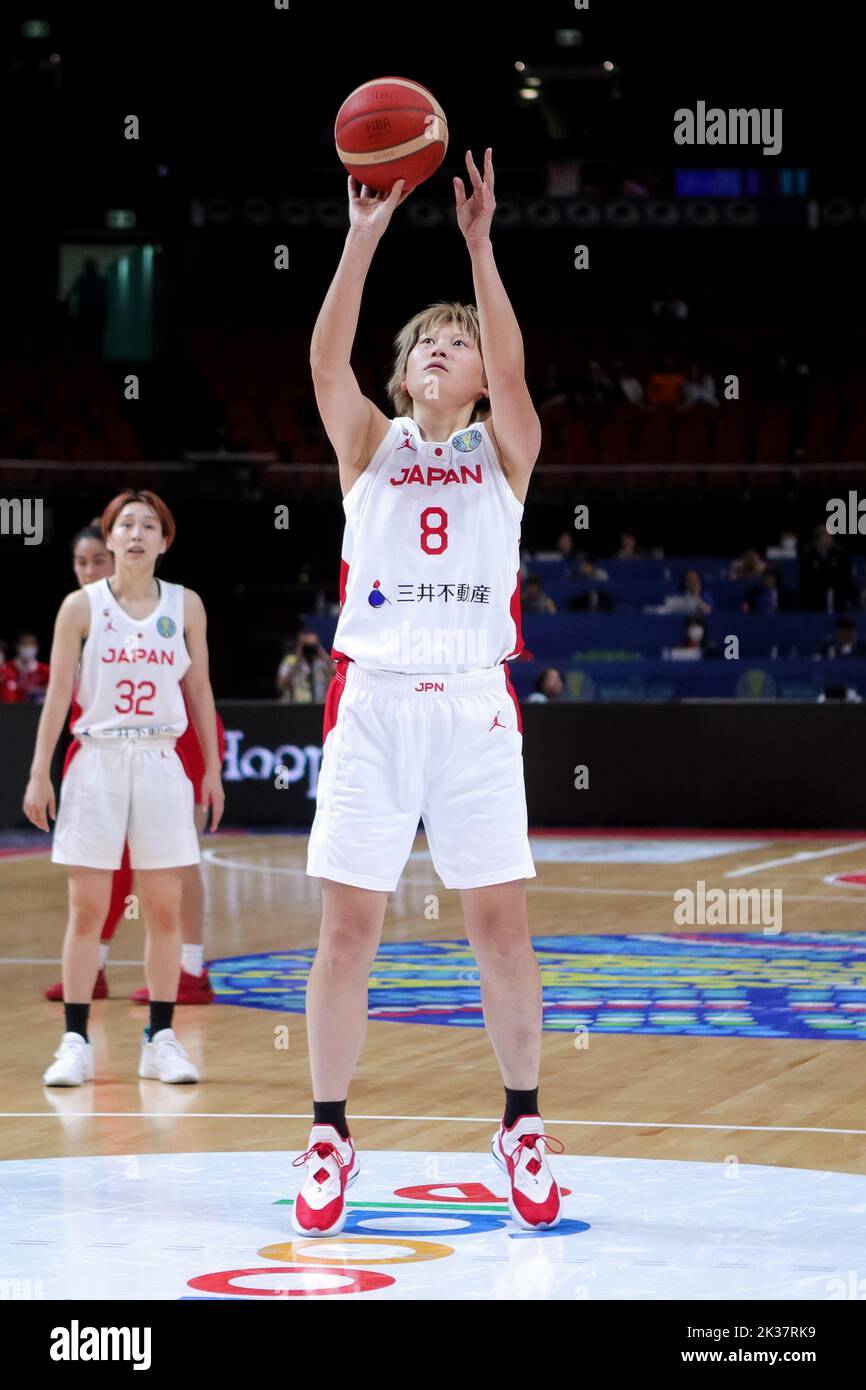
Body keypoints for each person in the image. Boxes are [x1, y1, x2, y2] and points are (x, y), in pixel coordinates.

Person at [296, 150, 563, 1238]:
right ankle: (326, 1131)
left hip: (470, 704)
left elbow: (508, 357)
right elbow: (322, 366)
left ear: (480, 376)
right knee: (345, 931)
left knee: (499, 930)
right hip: (374, 703)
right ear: (407, 372)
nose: (445, 350)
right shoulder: (371, 444)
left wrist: (479, 247)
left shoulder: (510, 447)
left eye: (460, 344)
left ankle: (521, 1121)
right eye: (429, 343)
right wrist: (363, 234)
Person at [23, 491, 224, 1087]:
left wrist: (210, 768)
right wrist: (40, 771)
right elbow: (58, 696)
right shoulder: (79, 608)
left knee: (163, 907)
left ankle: (160, 1038)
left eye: (149, 525)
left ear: (165, 540)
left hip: (162, 760)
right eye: (125, 525)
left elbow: (202, 692)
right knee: (86, 908)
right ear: (108, 540)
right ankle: (75, 1040)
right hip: (98, 761)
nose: (136, 534)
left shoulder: (187, 606)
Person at [799, 523, 857, 613]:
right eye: (824, 535)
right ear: (817, 537)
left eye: (830, 535)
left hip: (838, 600)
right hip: (814, 603)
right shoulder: (808, 556)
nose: (829, 538)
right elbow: (805, 582)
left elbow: (846, 579)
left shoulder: (839, 555)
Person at [276, 630, 335, 703]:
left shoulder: (323, 662)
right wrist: (297, 662)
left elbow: (334, 684)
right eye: (305, 645)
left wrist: (321, 652)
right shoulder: (289, 661)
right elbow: (280, 686)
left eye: (312, 645)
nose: (308, 648)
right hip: (296, 706)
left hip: (319, 705)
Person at [2, 632, 50, 703]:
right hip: (10, 708)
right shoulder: (6, 667)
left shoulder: (45, 670)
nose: (28, 648)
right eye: (25, 644)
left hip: (34, 709)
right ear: (17, 646)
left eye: (31, 644)